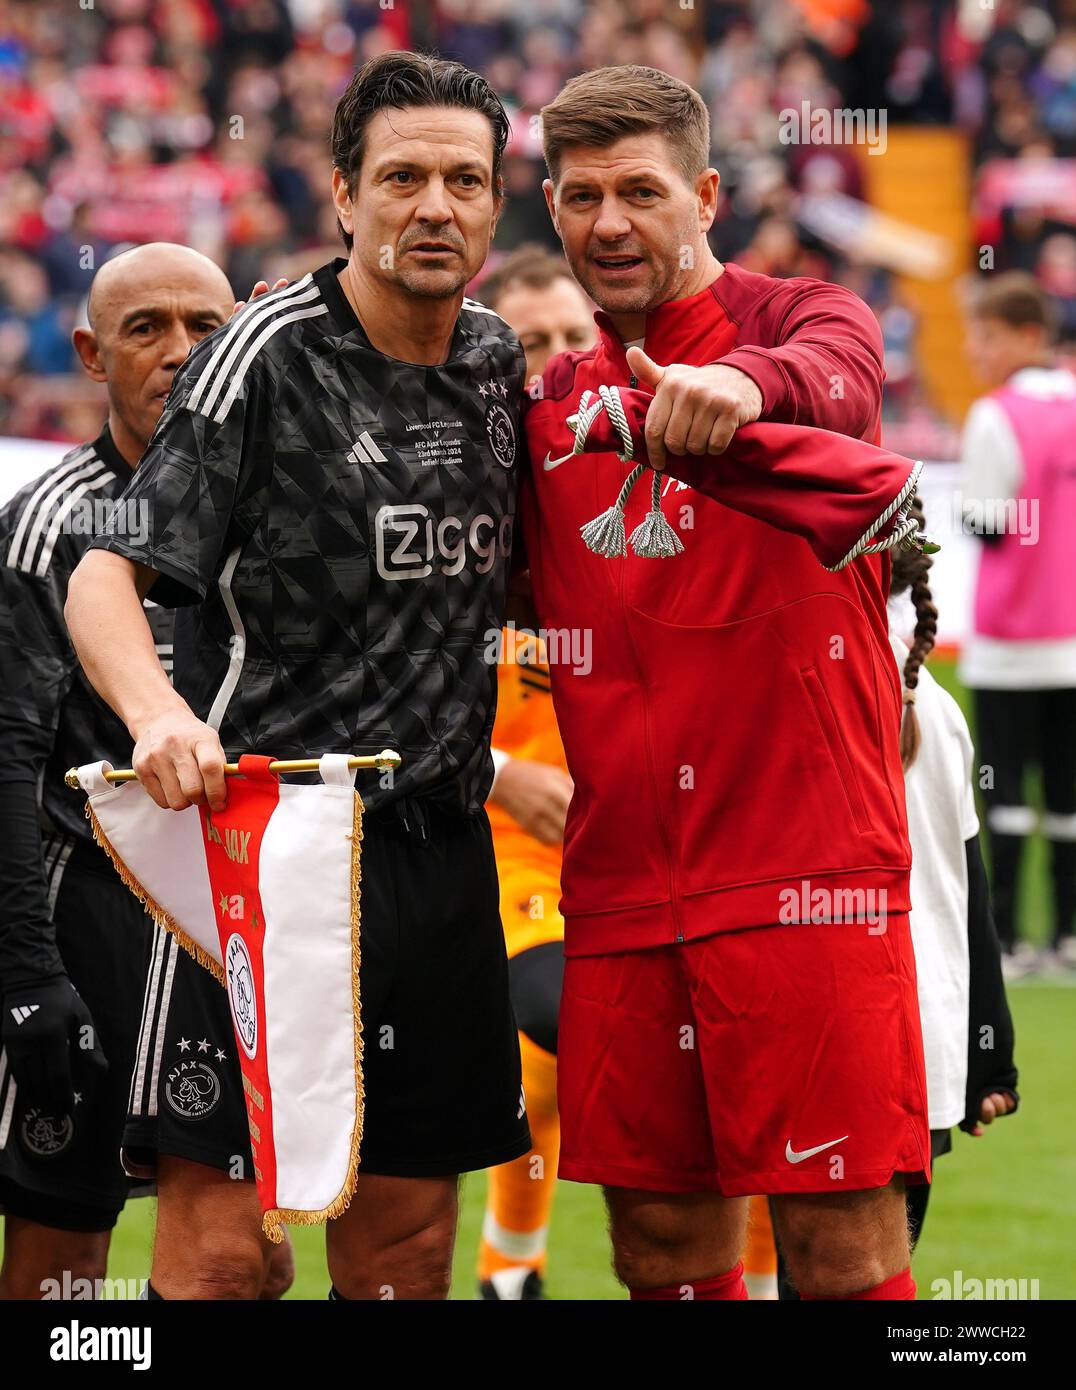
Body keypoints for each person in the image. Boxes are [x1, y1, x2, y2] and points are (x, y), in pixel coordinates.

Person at [65, 52, 530, 1301]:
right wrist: (157, 711)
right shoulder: (262, 354)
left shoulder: (496, 361)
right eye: (402, 178)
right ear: (343, 195)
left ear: (494, 205)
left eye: (462, 181)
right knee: (228, 1259)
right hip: (265, 854)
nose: (433, 205)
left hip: (436, 855)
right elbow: (106, 573)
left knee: (405, 1255)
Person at [522, 64, 931, 1300]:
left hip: (801, 876)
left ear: (701, 194)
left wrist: (740, 386)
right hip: (622, 889)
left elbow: (836, 381)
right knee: (657, 1249)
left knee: (842, 1247)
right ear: (548, 208)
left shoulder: (806, 319)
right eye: (582, 196)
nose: (609, 223)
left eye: (640, 193)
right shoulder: (547, 406)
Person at [0, 244, 297, 1300]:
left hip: (239, 934)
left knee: (246, 1258)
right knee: (63, 1260)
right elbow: (9, 764)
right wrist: (31, 981)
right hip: (90, 931)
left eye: (204, 328)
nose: (179, 352)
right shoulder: (51, 525)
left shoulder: (275, 501)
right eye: (146, 329)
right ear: (89, 352)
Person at [774, 498, 1020, 1297]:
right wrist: (993, 1052)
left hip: (837, 1037)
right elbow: (968, 887)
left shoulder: (799, 685)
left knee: (819, 1269)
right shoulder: (941, 708)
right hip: (931, 1044)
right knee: (876, 1268)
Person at [473, 247, 595, 1300]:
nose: (556, 364)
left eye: (574, 340)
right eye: (529, 347)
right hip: (511, 858)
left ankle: (510, 1271)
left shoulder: (641, 494)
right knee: (552, 1030)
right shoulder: (460, 509)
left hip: (649, 844)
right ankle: (509, 1265)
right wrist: (496, 771)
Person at [959, 272, 1076, 975]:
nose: (975, 349)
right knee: (1067, 795)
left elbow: (988, 520)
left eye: (987, 335)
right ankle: (1066, 936)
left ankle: (1006, 938)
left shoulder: (994, 414)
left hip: (1008, 642)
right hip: (1073, 643)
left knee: (1002, 796)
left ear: (1026, 336)